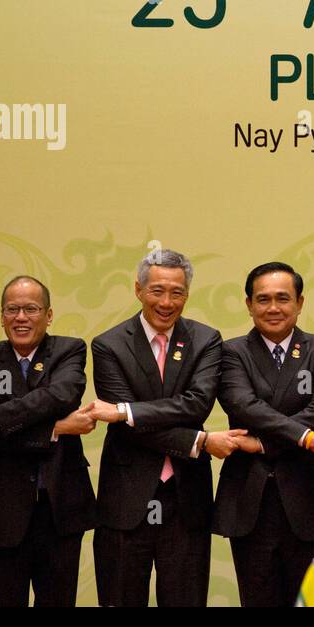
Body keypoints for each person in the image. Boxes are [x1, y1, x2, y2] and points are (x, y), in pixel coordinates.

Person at [87, 249, 227, 607]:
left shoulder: (206, 339)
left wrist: (125, 412)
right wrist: (199, 440)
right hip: (126, 499)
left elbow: (197, 403)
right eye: (157, 291)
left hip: (186, 499)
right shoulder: (109, 345)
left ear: (187, 294)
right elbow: (133, 431)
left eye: (177, 292)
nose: (167, 302)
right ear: (138, 290)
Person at [0, 275, 96, 607]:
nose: (21, 317)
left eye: (31, 309)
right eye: (12, 309)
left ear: (48, 315)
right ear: (2, 316)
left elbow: (60, 395)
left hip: (60, 507)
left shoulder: (70, 349)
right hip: (1, 509)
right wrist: (57, 430)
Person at [213, 262, 314, 606]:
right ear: (249, 304)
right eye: (263, 299)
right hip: (250, 501)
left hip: (312, 500)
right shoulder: (231, 352)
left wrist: (262, 443)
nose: (273, 308)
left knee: (311, 602)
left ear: (299, 302)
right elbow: (243, 406)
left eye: (282, 298)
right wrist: (304, 437)